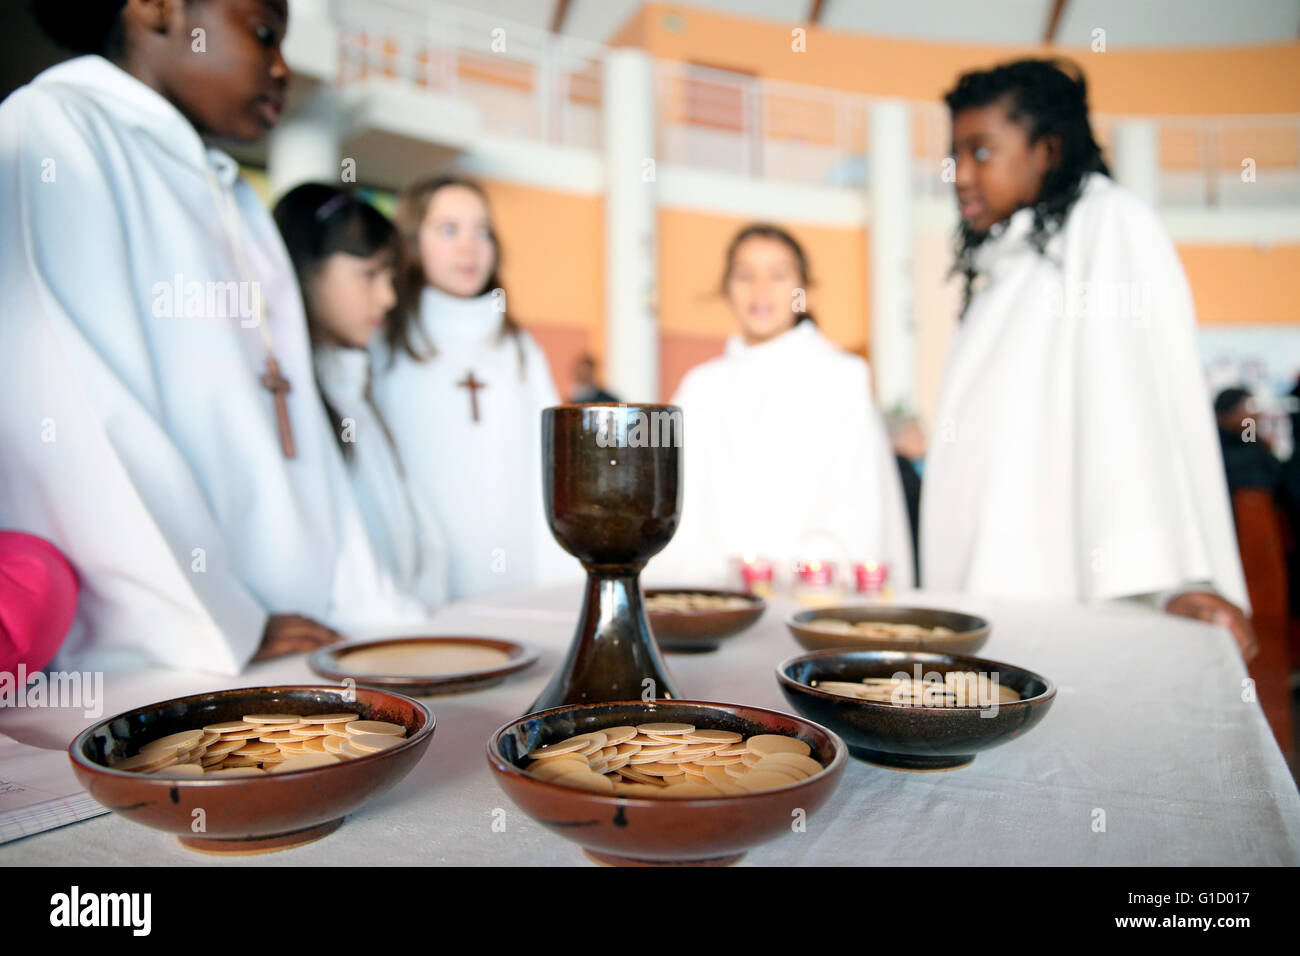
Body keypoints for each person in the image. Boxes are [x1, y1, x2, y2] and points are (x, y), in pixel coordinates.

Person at [0, 0, 420, 674]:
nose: (282, 68)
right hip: (171, 654)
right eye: (262, 32)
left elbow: (295, 416)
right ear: (158, 7)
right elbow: (74, 414)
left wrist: (372, 611)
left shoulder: (232, 192)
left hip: (299, 638)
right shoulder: (56, 127)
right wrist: (223, 621)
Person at [921, 58, 1256, 659]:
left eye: (981, 152)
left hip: (1087, 598)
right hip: (997, 601)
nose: (961, 175)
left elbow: (1136, 409)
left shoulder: (1107, 222)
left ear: (1047, 150)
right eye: (954, 155)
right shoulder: (1001, 262)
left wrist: (1164, 584)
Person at [649, 223, 914, 588]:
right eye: (744, 276)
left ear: (801, 289)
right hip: (715, 600)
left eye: (777, 275)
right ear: (726, 289)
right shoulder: (700, 387)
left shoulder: (842, 378)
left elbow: (859, 505)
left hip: (812, 601)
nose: (760, 289)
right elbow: (675, 500)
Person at [374, 175, 570, 600]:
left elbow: (553, 463)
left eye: (482, 231)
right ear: (411, 241)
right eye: (449, 230)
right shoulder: (386, 341)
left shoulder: (519, 346)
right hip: (422, 581)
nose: (469, 247)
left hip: (519, 572)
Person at [273, 183, 448, 611]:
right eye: (369, 274)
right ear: (304, 270)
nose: (388, 298)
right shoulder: (284, 400)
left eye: (391, 278)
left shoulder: (356, 388)